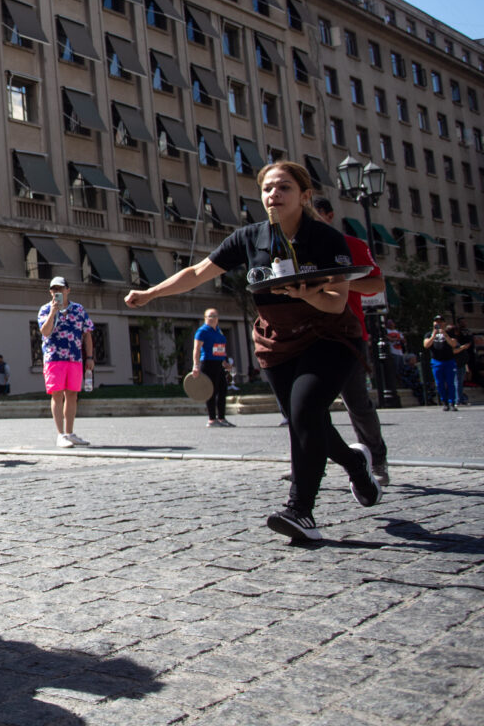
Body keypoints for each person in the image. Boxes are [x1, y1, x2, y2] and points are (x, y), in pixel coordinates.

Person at [125, 161, 381, 543]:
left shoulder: (326, 239)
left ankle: (300, 511)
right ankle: (355, 463)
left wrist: (304, 290)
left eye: (284, 188)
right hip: (278, 341)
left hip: (330, 337)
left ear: (304, 195)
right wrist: (151, 293)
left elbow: (335, 302)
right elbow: (197, 272)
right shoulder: (250, 237)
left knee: (305, 411)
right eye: (267, 189)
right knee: (305, 420)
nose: (273, 195)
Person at [312, 197, 390, 485]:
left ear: (329, 216)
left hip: (347, 337)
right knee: (305, 408)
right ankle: (309, 465)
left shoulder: (350, 244)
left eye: (314, 215)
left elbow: (377, 284)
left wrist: (340, 283)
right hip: (305, 338)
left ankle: (376, 459)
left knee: (357, 404)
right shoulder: (292, 251)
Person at [38, 276, 95, 448]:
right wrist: (54, 312)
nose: (57, 292)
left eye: (61, 288)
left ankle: (70, 433)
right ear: (50, 292)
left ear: (68, 290)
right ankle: (60, 434)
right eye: (54, 289)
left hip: (75, 358)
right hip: (54, 358)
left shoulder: (78, 309)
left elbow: (87, 334)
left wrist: (90, 357)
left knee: (72, 395)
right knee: (57, 394)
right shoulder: (45, 309)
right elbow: (45, 331)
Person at [191, 308, 235, 427]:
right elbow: (196, 349)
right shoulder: (202, 331)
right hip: (207, 363)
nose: (213, 318)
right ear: (205, 318)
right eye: (210, 316)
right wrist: (196, 365)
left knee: (222, 390)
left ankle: (221, 418)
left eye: (215, 315)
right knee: (210, 391)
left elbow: (220, 348)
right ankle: (211, 419)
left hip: (218, 363)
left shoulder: (218, 331)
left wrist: (225, 362)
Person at [423, 315, 459, 411]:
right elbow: (426, 345)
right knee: (439, 383)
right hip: (436, 362)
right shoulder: (429, 334)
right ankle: (444, 402)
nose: (438, 323)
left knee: (450, 382)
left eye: (440, 321)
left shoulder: (449, 333)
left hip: (449, 361)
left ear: (444, 323)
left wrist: (445, 334)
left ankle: (452, 402)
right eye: (436, 321)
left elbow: (454, 344)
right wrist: (433, 335)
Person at [451, 318, 473, 406]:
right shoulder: (452, 341)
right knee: (457, 382)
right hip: (457, 364)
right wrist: (463, 347)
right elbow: (453, 351)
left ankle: (460, 399)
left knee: (460, 382)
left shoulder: (456, 340)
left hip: (461, 363)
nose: (458, 333)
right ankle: (458, 400)